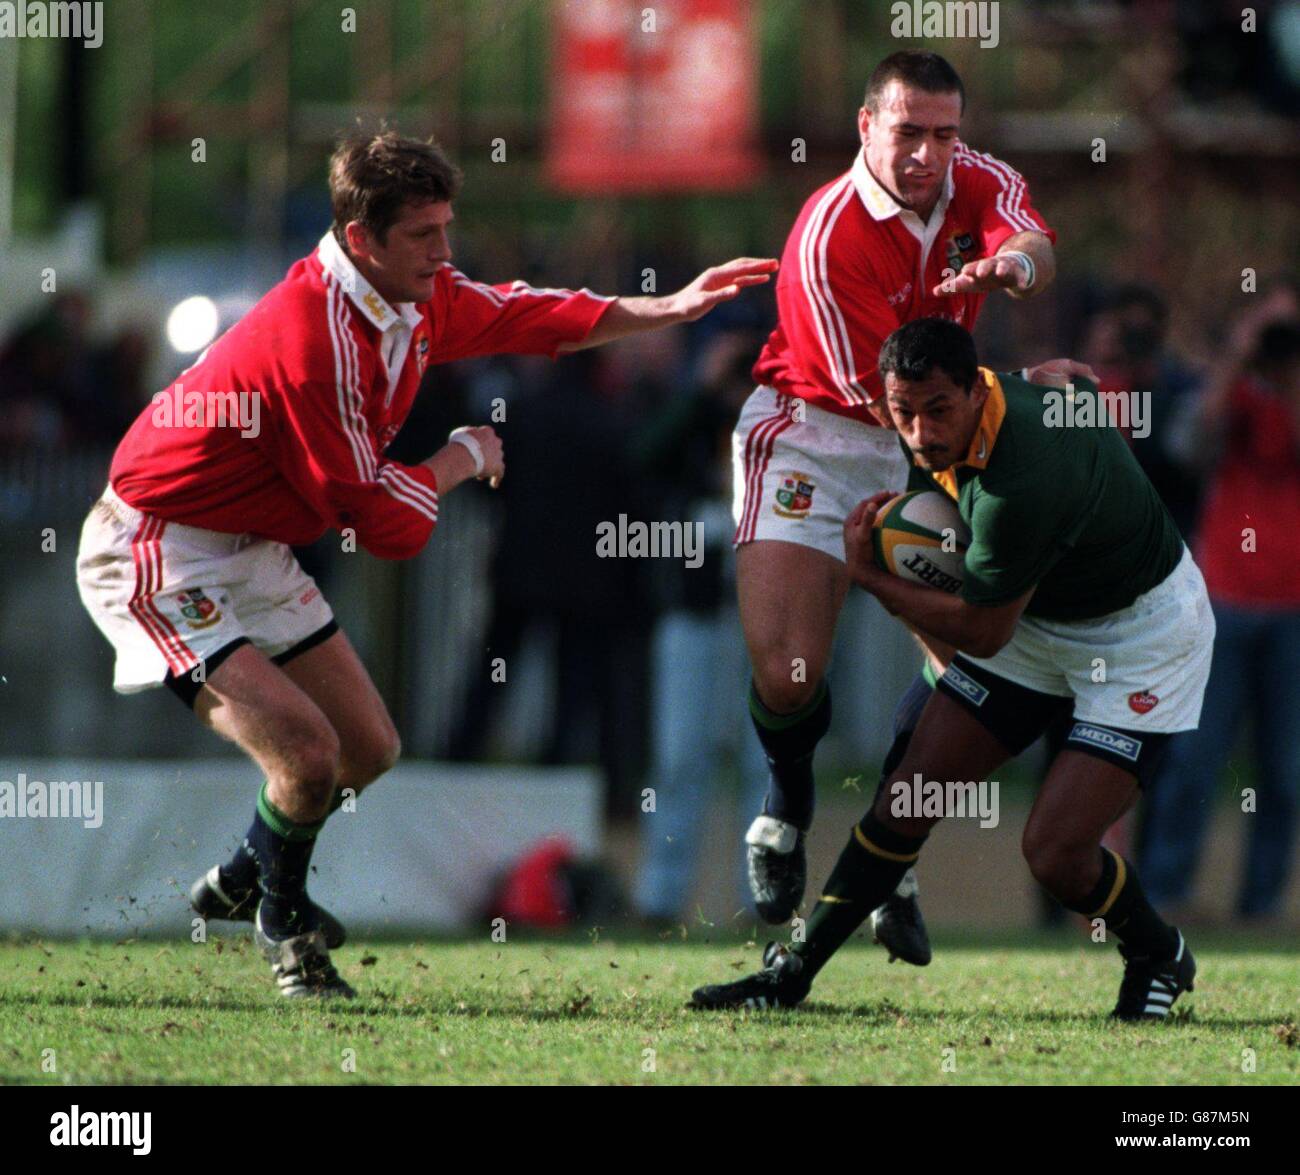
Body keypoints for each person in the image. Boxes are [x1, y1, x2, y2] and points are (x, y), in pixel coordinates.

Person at [75, 131, 776, 999]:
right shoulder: (312, 340)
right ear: (362, 238)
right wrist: (459, 456)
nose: (446, 253)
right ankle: (283, 921)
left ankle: (247, 872)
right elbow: (380, 523)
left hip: (248, 542)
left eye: (448, 228)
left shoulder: (405, 296)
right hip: (159, 546)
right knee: (305, 756)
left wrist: (665, 307)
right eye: (425, 235)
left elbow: (524, 311)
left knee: (369, 749)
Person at [692, 317, 1213, 1020]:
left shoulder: (1020, 477)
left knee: (1055, 851)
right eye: (904, 412)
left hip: (1137, 633)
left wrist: (870, 579)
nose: (922, 431)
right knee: (906, 799)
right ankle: (791, 975)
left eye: (939, 409)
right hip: (1034, 611)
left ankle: (1157, 951)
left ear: (975, 391)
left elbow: (983, 632)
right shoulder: (956, 408)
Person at [732, 50, 1057, 958]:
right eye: (908, 132)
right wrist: (1021, 392)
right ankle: (787, 807)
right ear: (867, 125)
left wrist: (1013, 274)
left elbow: (1030, 238)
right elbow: (893, 398)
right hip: (823, 430)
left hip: (942, 432)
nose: (927, 154)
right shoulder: (827, 235)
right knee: (789, 671)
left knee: (973, 663)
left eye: (944, 134)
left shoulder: (975, 177)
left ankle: (889, 857)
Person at [1141, 291, 1300, 923]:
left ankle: (1260, 907)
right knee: (1193, 760)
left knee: (1285, 772)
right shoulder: (1230, 395)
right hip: (1225, 604)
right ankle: (1165, 893)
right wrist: (1240, 353)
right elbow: (1188, 445)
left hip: (1293, 612)